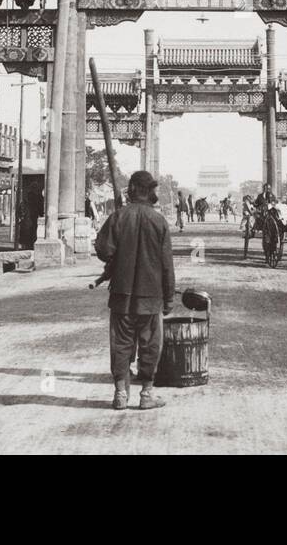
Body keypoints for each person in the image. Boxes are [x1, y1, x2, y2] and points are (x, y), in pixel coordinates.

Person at [94, 170, 175, 411]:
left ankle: (120, 394)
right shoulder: (159, 221)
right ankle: (147, 394)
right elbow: (166, 264)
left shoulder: (119, 216)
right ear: (149, 191)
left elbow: (103, 250)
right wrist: (169, 298)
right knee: (150, 345)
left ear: (131, 190)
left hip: (121, 295)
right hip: (151, 297)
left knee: (121, 344)